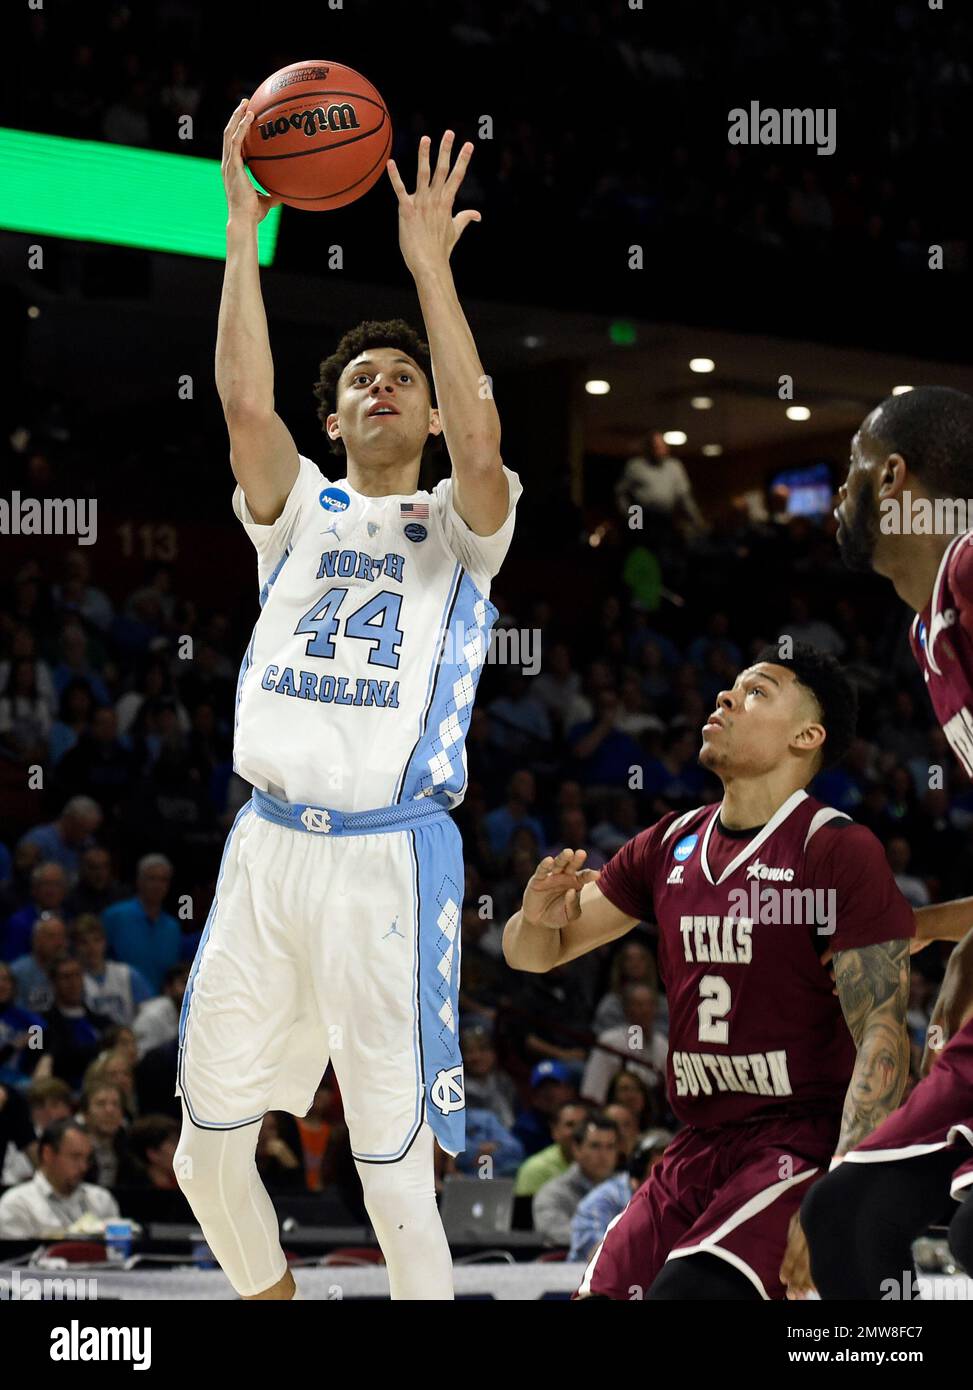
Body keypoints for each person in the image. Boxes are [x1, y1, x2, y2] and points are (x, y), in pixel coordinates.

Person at [172, 109, 521, 1303]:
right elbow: (242, 406)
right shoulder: (298, 511)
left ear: (426, 418)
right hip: (266, 848)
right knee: (201, 1152)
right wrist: (237, 237)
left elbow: (482, 437)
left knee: (395, 1181)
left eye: (402, 380)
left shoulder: (464, 525)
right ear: (333, 421)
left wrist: (428, 268)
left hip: (389, 864)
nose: (382, 387)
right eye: (360, 380)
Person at [504, 643, 915, 1300]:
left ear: (806, 737)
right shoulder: (667, 842)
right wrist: (532, 915)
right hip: (695, 1143)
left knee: (690, 1294)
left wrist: (840, 1196)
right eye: (727, 687)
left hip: (798, 1141)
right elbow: (533, 953)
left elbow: (884, 1041)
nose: (724, 697)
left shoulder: (833, 848)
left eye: (755, 692)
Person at [801, 387, 973, 1295]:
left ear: (894, 477)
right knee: (848, 1217)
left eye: (853, 471)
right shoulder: (927, 627)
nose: (838, 493)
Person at [0, 1118, 119, 1238]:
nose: (84, 1167)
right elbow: (17, 1255)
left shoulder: (102, 1200)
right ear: (48, 1154)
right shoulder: (17, 1204)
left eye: (87, 1158)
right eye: (75, 1157)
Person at [569, 1129, 672, 1263]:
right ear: (638, 1170)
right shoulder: (601, 1200)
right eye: (659, 1172)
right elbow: (598, 1256)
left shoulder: (679, 1201)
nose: (667, 1180)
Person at [532, 1114, 619, 1246]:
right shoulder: (553, 1193)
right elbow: (556, 1233)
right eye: (595, 1146)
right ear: (577, 1149)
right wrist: (617, 1244)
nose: (603, 1155)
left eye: (610, 1147)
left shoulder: (628, 1190)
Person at [101, 854, 181, 992]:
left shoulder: (172, 927)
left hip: (160, 1006)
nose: (158, 885)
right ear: (139, 880)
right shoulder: (114, 916)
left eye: (163, 880)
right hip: (119, 1001)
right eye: (152, 879)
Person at [580, 982, 668, 1106]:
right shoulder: (609, 1042)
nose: (645, 1010)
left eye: (649, 1004)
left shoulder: (662, 1043)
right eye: (638, 1005)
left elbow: (672, 1093)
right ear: (627, 1010)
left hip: (653, 1115)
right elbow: (593, 1092)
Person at [76, 915, 153, 1027]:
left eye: (96, 940)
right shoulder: (74, 979)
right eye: (84, 942)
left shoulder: (127, 974)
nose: (91, 947)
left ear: (104, 942)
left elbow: (148, 1012)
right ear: (76, 946)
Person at [513, 1099, 590, 1201]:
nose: (577, 1132)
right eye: (570, 1125)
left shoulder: (603, 1165)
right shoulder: (534, 1170)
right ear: (554, 1130)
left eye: (583, 1125)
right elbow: (524, 1215)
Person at [132, 963, 188, 1060]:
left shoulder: (186, 1012)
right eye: (184, 983)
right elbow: (139, 1056)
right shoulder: (153, 1013)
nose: (189, 989)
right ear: (168, 988)